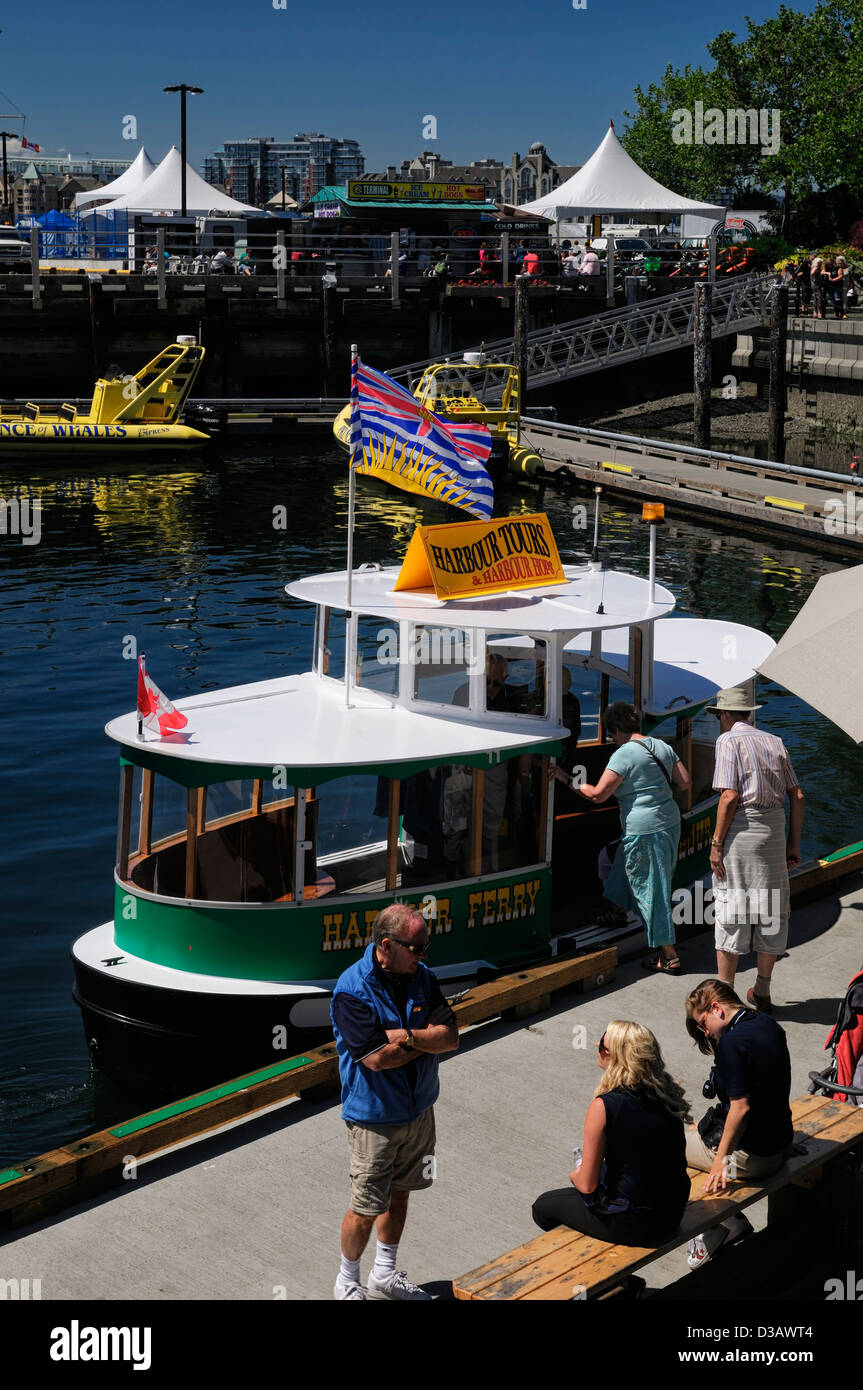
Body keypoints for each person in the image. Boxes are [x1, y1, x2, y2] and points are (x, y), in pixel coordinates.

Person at [331, 903, 459, 1300]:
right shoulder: (351, 991)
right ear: (387, 945)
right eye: (417, 947)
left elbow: (451, 1037)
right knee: (365, 1207)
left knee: (401, 1192)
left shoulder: (422, 977)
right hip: (374, 1118)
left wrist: (404, 1036)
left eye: (426, 946)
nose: (424, 955)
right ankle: (347, 1281)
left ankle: (383, 1274)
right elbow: (376, 1059)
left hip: (418, 1109)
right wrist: (424, 1037)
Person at [554, 702, 690, 971]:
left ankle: (669, 954)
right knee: (623, 869)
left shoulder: (624, 754)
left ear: (616, 730)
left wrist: (564, 777)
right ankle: (615, 912)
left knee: (651, 889)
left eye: (612, 734)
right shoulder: (661, 746)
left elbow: (597, 795)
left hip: (644, 829)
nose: (612, 740)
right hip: (669, 823)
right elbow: (685, 782)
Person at [532, 1020, 691, 1246]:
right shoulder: (665, 1094)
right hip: (671, 1215)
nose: (596, 1043)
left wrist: (575, 1174)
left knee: (543, 1207)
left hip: (635, 1224)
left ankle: (604, 1274)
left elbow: (587, 1184)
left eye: (602, 1046)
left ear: (615, 1057)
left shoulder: (604, 1106)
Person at [707, 686, 804, 1012]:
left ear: (724, 714)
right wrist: (792, 844)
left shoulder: (728, 741)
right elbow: (798, 796)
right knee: (771, 909)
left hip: (742, 833)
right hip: (774, 833)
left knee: (732, 908)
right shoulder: (774, 741)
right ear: (750, 712)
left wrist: (717, 844)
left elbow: (729, 796)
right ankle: (762, 991)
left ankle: (725, 997)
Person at [684, 979, 793, 1266]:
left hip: (756, 1158)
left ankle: (721, 1227)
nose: (704, 1031)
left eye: (702, 1023)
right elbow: (761, 1092)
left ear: (717, 1008)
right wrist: (707, 1125)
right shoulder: (767, 1024)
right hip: (782, 1145)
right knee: (692, 1133)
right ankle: (731, 1223)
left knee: (665, 1145)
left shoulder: (731, 1043)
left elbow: (741, 1109)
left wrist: (721, 1159)